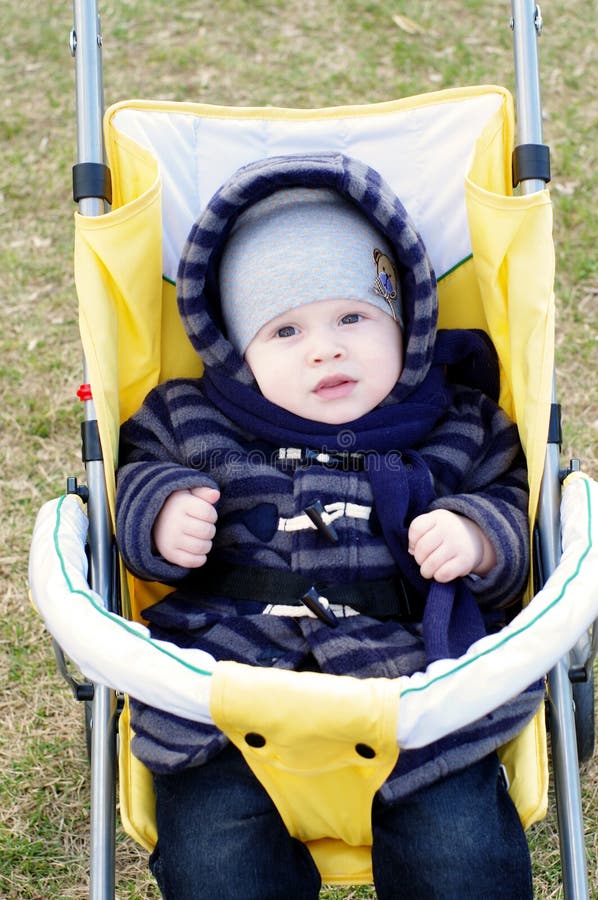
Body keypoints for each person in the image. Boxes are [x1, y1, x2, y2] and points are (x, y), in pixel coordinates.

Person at [116, 153, 543, 899]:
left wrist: (475, 538)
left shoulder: (457, 420)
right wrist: (161, 513)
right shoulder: (196, 419)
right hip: (228, 697)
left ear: (403, 323)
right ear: (238, 351)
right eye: (284, 332)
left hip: (416, 698)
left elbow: (511, 508)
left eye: (353, 316)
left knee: (462, 858)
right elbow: (136, 475)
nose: (325, 347)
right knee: (216, 866)